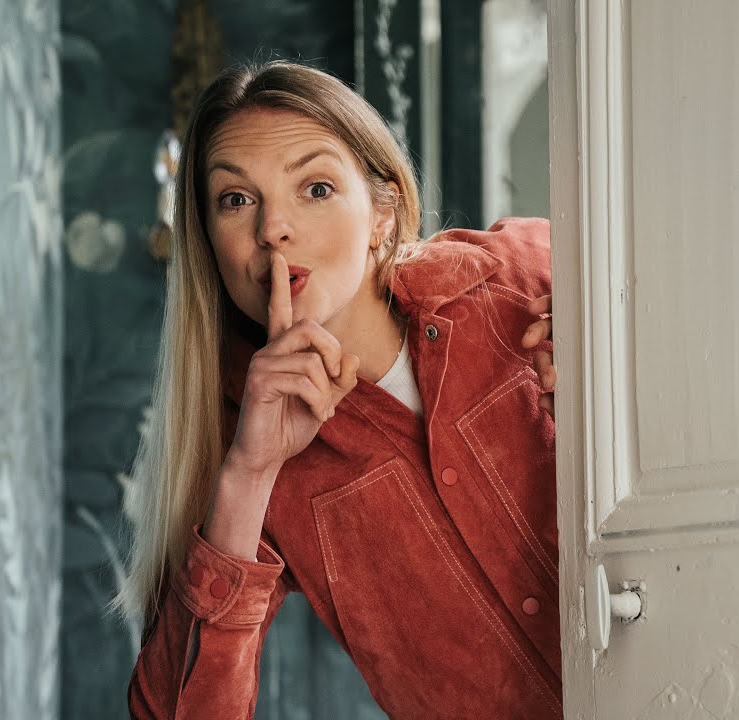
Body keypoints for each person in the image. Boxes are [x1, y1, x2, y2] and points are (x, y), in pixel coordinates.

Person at [121, 60, 559, 719]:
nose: (273, 229)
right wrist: (249, 475)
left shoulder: (524, 277)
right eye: (236, 200)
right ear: (209, 243)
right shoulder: (244, 459)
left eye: (315, 188)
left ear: (382, 211)